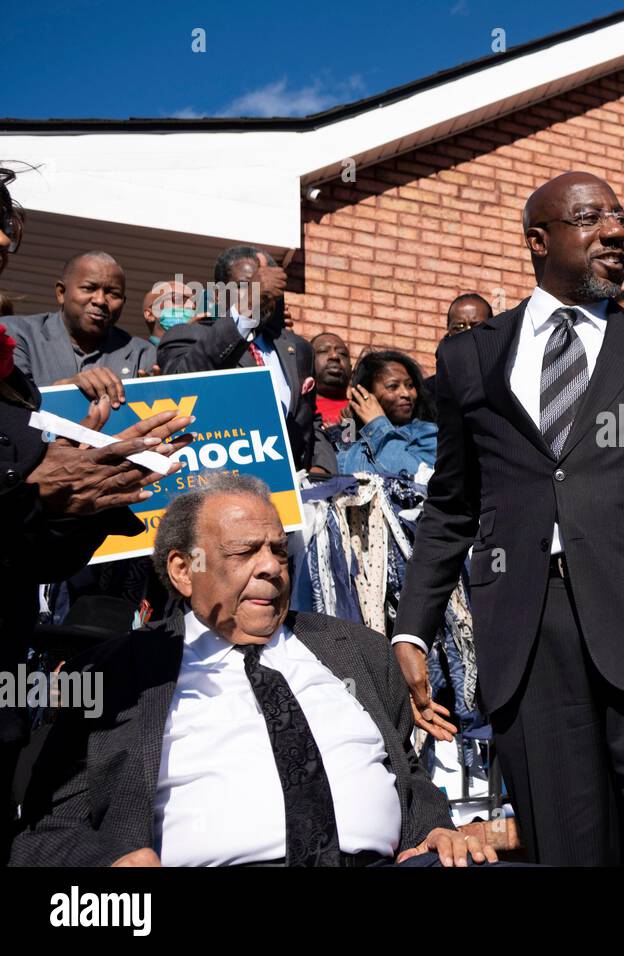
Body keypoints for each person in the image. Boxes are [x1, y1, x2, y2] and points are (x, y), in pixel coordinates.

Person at [392, 171, 624, 866]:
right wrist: (412, 627)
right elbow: (450, 506)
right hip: (530, 644)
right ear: (539, 239)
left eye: (621, 218)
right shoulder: (469, 357)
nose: (617, 232)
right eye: (593, 218)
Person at [10, 473, 497, 868]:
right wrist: (110, 864)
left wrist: (435, 830)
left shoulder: (358, 652)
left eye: (279, 550)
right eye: (245, 552)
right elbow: (46, 831)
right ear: (183, 569)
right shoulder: (116, 675)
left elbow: (406, 776)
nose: (272, 567)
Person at [0, 166, 192, 858]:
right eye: (91, 288)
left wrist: (99, 486)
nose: (105, 301)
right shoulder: (17, 341)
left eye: (115, 291)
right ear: (60, 293)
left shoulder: (137, 358)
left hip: (62, 573)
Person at [157, 245, 336, 474]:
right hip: (220, 482)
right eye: (247, 286)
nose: (264, 293)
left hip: (290, 491)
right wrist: (247, 309)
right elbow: (180, 386)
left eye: (268, 286)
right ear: (219, 294)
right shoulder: (189, 335)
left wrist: (321, 467)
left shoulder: (298, 348)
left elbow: (309, 420)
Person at [7, 252, 156, 401]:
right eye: (89, 288)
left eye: (113, 294)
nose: (100, 300)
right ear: (61, 293)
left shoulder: (142, 354)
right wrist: (65, 390)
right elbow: (15, 404)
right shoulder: (15, 335)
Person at [337, 350, 438, 477]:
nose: (406, 394)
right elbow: (341, 465)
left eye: (410, 385)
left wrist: (378, 424)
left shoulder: (426, 432)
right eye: (393, 386)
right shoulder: (356, 432)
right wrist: (349, 427)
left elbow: (418, 477)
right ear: (367, 393)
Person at [142, 278, 203, 346]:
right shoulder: (139, 354)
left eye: (194, 304)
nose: (192, 306)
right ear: (150, 315)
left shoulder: (202, 352)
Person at [311, 331, 352, 427]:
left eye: (342, 353)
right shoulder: (294, 409)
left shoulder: (364, 413)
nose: (335, 356)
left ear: (351, 368)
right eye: (323, 351)